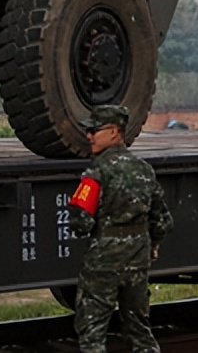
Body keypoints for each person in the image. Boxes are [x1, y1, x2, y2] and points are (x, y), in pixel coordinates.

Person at [68, 105, 173, 353]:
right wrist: (153, 245)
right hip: (138, 257)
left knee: (92, 333)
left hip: (104, 261)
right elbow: (163, 221)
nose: (89, 136)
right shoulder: (144, 170)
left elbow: (80, 222)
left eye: (94, 130)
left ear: (114, 132)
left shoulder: (97, 172)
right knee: (139, 330)